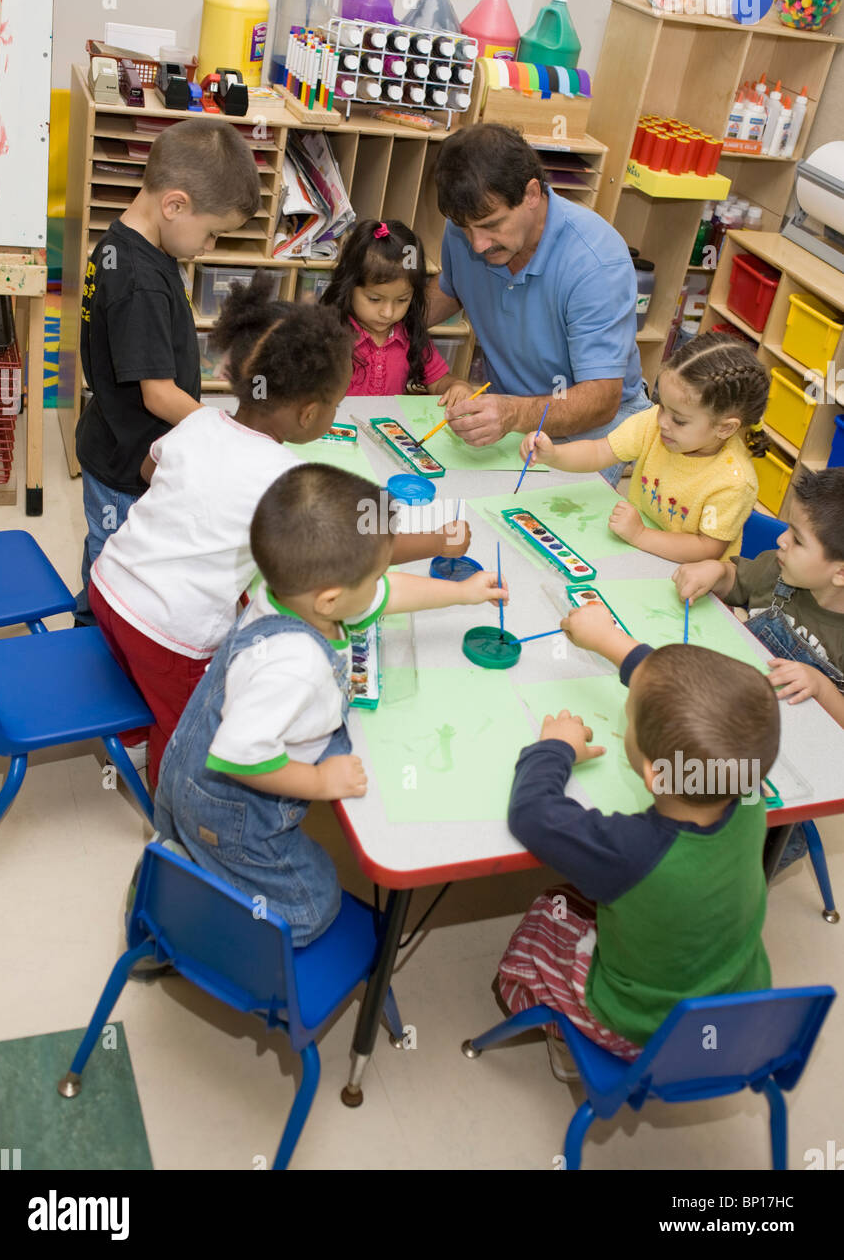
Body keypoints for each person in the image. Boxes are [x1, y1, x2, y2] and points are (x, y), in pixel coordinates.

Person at [90, 285, 471, 789]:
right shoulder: (281, 476)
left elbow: (148, 469)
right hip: (170, 632)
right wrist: (438, 542)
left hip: (108, 585)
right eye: (334, 405)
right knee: (182, 723)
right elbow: (353, 548)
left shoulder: (199, 423)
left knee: (133, 677)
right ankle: (173, 809)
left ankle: (132, 743)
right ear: (310, 413)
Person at [153, 463, 508, 946]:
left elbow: (384, 594)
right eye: (377, 571)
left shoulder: (288, 589)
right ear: (331, 599)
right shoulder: (294, 663)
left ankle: (183, 858)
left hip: (187, 766)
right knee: (314, 904)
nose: (382, 580)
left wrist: (462, 594)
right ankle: (177, 919)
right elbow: (240, 756)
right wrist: (319, 780)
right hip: (229, 806)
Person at [497, 602, 779, 1080]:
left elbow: (531, 815)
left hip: (643, 1031)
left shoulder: (631, 850)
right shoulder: (748, 785)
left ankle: (571, 1040)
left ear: (650, 773)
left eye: (629, 718)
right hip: (734, 1009)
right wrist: (611, 642)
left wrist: (556, 747)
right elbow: (710, 708)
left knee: (547, 912)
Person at [74, 118, 261, 624]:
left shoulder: (125, 244)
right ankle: (93, 650)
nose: (208, 246)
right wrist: (224, 432)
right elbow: (158, 395)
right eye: (212, 232)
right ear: (175, 205)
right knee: (111, 568)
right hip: (122, 461)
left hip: (117, 437)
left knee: (110, 556)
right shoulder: (141, 282)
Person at [426, 123, 652, 488]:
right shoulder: (467, 232)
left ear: (532, 193)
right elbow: (449, 292)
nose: (478, 245)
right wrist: (371, 322)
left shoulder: (596, 261)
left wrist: (513, 413)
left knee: (532, 529)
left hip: (596, 424)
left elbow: (601, 399)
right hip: (514, 410)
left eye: (490, 225)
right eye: (465, 228)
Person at [674, 466, 844, 869]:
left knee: (734, 846)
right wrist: (716, 571)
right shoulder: (780, 568)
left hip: (793, 763)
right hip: (726, 717)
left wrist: (821, 687)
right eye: (788, 529)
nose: (781, 540)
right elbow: (739, 579)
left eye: (798, 540)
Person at [519, 332, 770, 562]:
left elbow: (706, 549)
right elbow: (600, 451)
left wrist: (640, 535)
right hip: (641, 554)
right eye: (661, 405)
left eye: (679, 420)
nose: (662, 421)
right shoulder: (656, 425)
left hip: (690, 579)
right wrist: (554, 454)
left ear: (725, 428)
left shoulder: (734, 482)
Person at [321, 217, 474, 397]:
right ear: (348, 287)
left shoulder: (410, 334)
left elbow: (439, 381)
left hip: (388, 426)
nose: (388, 313)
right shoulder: (330, 335)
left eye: (402, 300)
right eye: (374, 299)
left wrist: (456, 387)